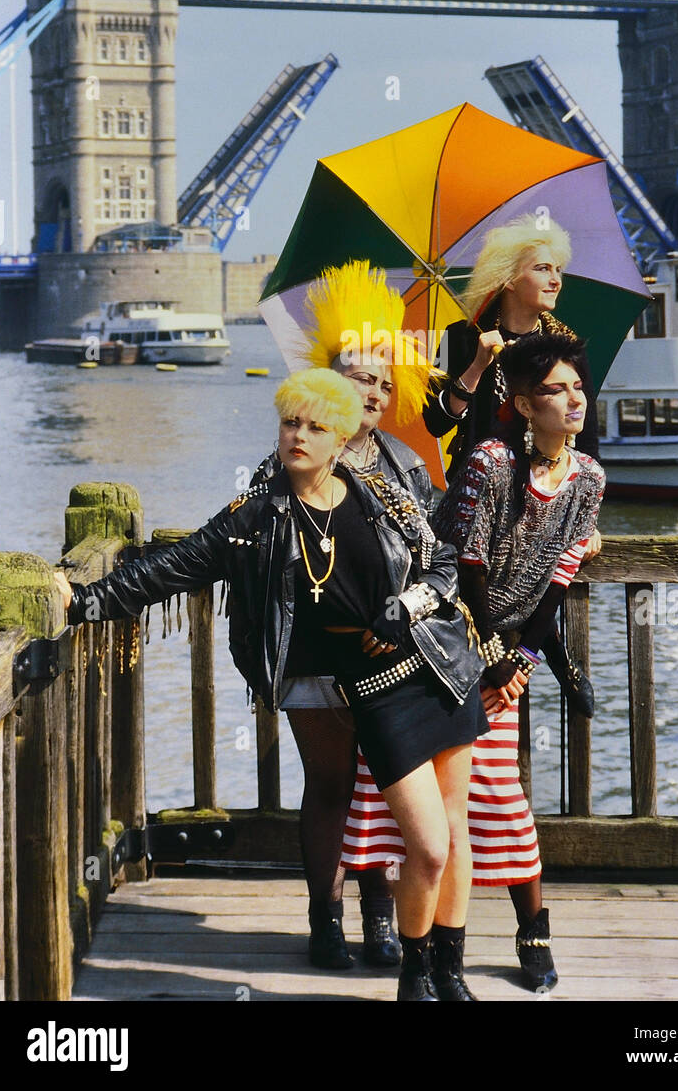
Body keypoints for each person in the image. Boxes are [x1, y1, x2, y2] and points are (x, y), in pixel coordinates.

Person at [55, 367, 487, 1002]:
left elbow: (442, 561)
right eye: (291, 422)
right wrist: (84, 602)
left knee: (451, 834)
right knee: (421, 843)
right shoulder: (254, 516)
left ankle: (444, 976)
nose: (300, 436)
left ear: (342, 440)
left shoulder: (382, 497)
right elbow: (170, 569)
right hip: (362, 687)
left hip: (433, 671)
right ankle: (396, 964)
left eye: (317, 427)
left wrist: (407, 607)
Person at [236, 261, 436, 972]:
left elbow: (434, 555)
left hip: (388, 656)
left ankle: (381, 916)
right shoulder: (286, 457)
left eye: (386, 381)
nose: (374, 391)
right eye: (360, 376)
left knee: (387, 784)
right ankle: (326, 923)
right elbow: (244, 550)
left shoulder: (409, 465)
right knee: (329, 785)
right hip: (313, 655)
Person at [435, 330, 605, 989]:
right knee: (413, 795)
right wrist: (492, 653)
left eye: (577, 387)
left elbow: (558, 580)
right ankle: (403, 935)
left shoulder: (587, 479)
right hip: (446, 638)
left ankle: (533, 926)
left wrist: (522, 659)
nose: (573, 400)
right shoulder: (489, 462)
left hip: (508, 651)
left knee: (497, 794)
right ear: (525, 404)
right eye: (554, 391)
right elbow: (467, 564)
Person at [424, 215, 599, 714]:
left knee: (549, 559)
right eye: (542, 268)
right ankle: (528, 664)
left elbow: (585, 428)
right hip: (482, 489)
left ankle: (536, 659)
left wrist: (592, 519)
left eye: (558, 269)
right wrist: (477, 365)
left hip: (548, 486)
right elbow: (437, 423)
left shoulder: (564, 343)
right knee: (478, 572)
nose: (556, 279)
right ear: (507, 278)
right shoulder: (463, 336)